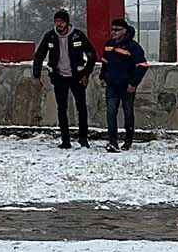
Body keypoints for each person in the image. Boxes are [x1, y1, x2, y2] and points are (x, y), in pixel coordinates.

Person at [31, 9, 97, 147]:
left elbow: (92, 55)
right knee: (62, 108)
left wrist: (86, 74)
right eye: (56, 22)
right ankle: (65, 140)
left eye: (61, 22)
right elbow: (39, 56)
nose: (58, 25)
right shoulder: (50, 36)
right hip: (59, 77)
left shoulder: (78, 36)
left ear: (67, 23)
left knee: (81, 108)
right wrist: (36, 76)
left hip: (77, 77)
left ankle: (83, 139)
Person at [98, 18, 148, 153]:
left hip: (127, 87)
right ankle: (112, 141)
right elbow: (105, 62)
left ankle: (128, 140)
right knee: (110, 113)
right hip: (112, 85)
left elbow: (142, 66)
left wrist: (133, 83)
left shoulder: (133, 47)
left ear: (124, 31)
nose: (113, 32)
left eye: (117, 30)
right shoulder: (109, 44)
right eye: (112, 29)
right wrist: (102, 76)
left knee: (128, 113)